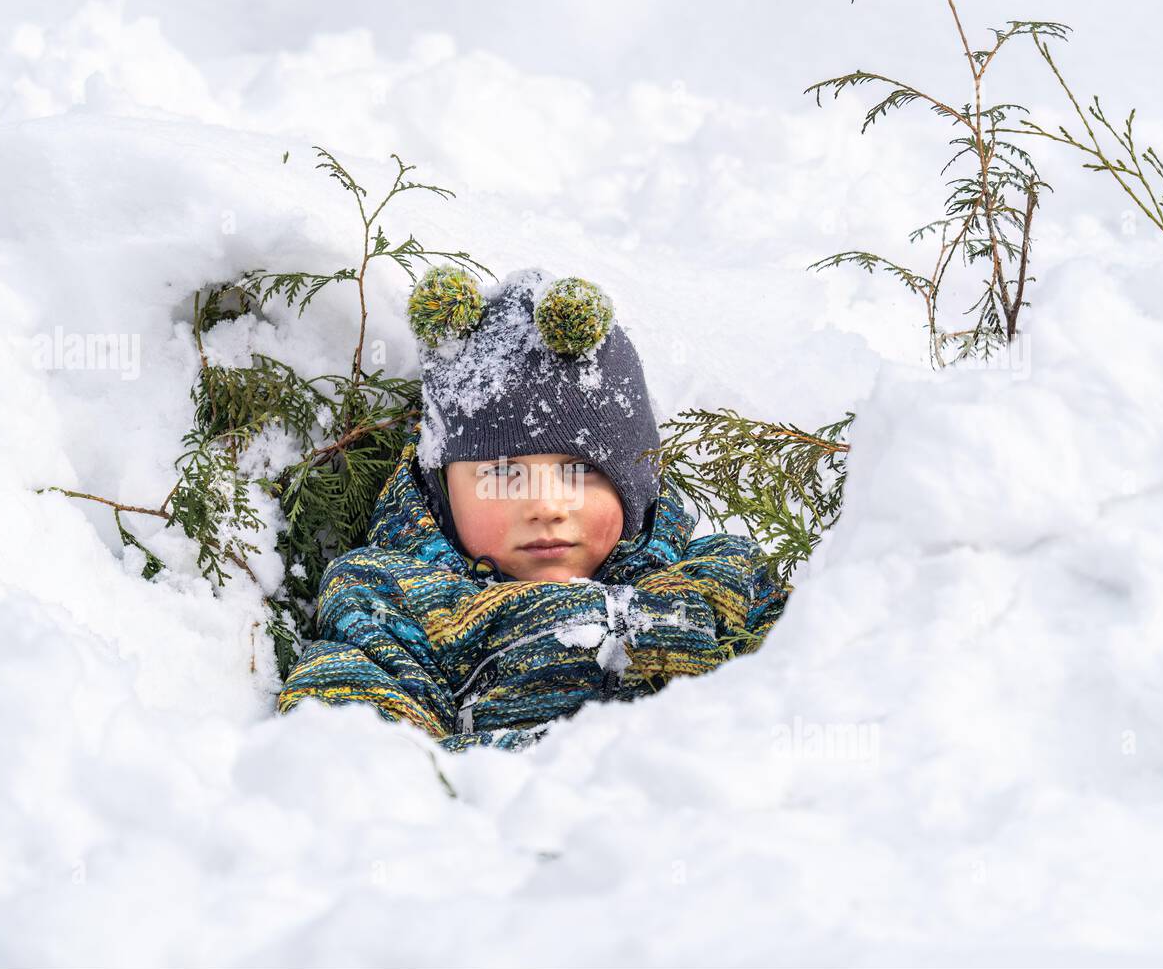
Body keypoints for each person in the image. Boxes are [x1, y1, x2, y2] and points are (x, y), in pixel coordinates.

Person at [276, 266, 788, 750]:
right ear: (441, 488)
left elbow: (818, 683)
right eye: (502, 472)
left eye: (580, 470)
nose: (545, 505)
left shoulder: (718, 582)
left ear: (635, 483)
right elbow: (348, 752)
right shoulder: (393, 603)